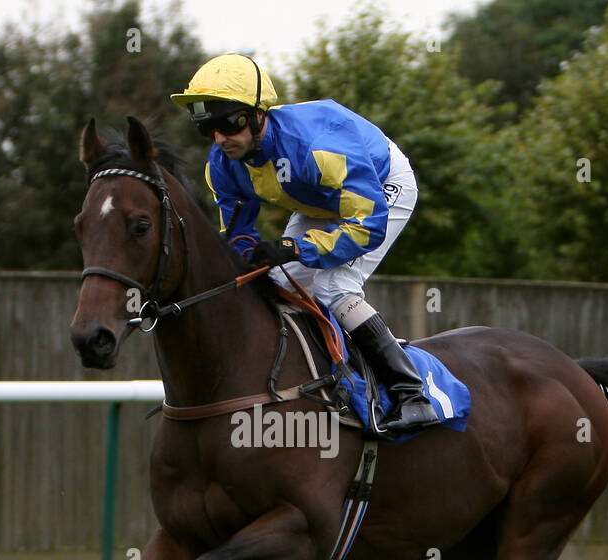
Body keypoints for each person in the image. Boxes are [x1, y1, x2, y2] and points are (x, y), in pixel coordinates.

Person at [172, 53, 438, 434]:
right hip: (318, 198)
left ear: (258, 114)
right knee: (275, 284)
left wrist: (296, 248)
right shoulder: (223, 164)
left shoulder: (317, 146)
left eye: (229, 123)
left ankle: (412, 393)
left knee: (334, 285)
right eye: (207, 128)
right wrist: (251, 254)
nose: (220, 138)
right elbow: (239, 234)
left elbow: (368, 226)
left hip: (378, 188)